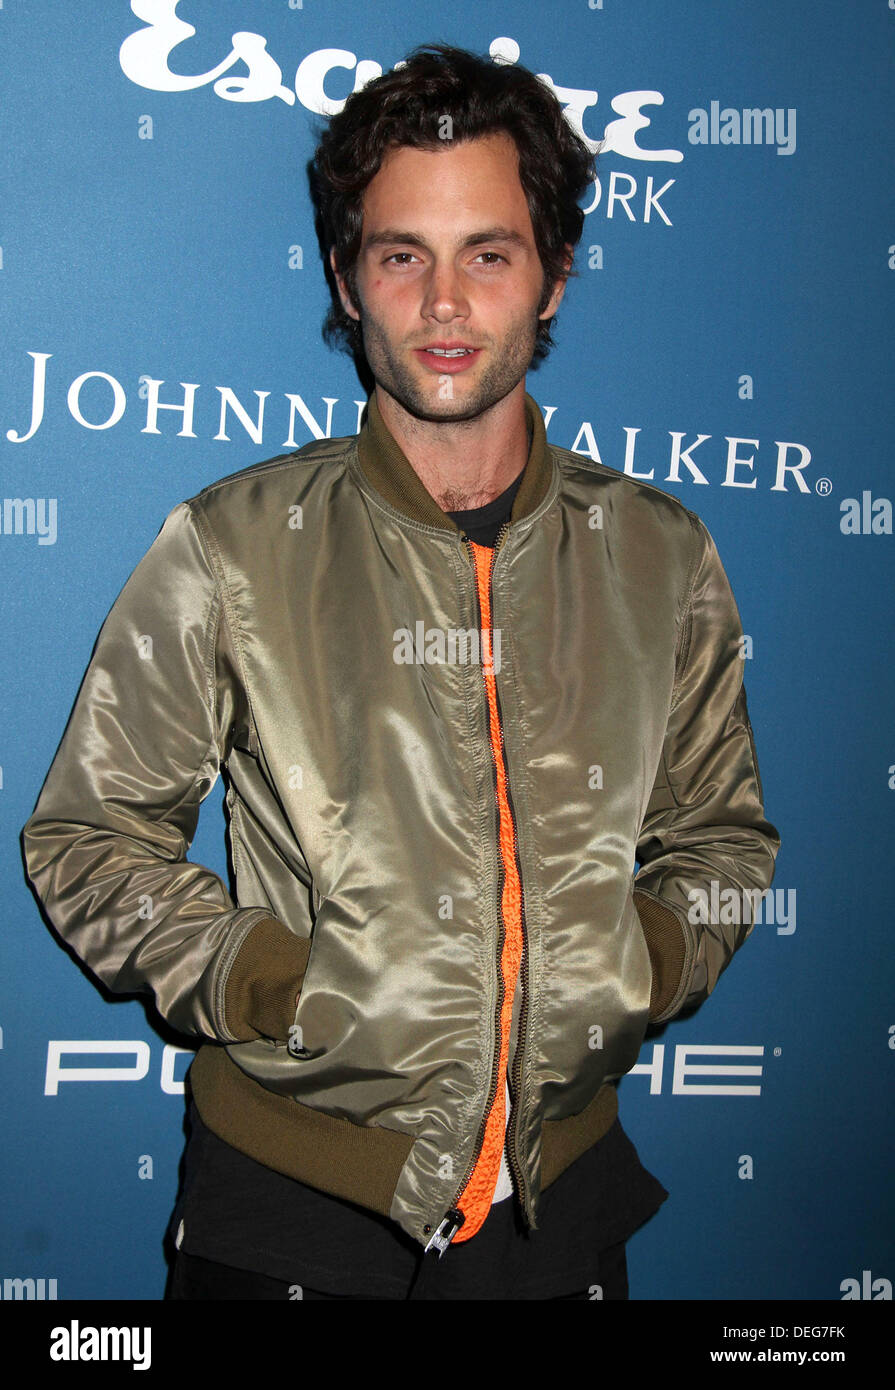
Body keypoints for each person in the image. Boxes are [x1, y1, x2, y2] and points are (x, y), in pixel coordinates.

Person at [22, 42, 780, 1301]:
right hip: (286, 1212)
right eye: (400, 255)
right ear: (346, 279)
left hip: (563, 1209)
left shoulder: (659, 553)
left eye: (488, 253)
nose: (442, 303)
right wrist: (274, 981)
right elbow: (90, 838)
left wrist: (630, 963)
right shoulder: (234, 544)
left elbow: (722, 839)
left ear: (551, 278)